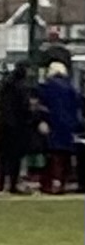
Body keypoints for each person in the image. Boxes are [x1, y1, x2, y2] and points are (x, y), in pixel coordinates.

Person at [36, 60, 81, 193]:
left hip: (53, 123)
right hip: (68, 125)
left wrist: (42, 120)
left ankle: (51, 183)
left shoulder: (47, 86)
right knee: (65, 155)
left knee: (53, 156)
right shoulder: (70, 87)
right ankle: (61, 182)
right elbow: (78, 103)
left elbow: (42, 104)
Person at [0, 62, 38, 194]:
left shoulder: (5, 86)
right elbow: (25, 108)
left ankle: (0, 183)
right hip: (18, 126)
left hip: (4, 125)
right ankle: (13, 184)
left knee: (3, 157)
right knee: (15, 158)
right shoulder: (22, 87)